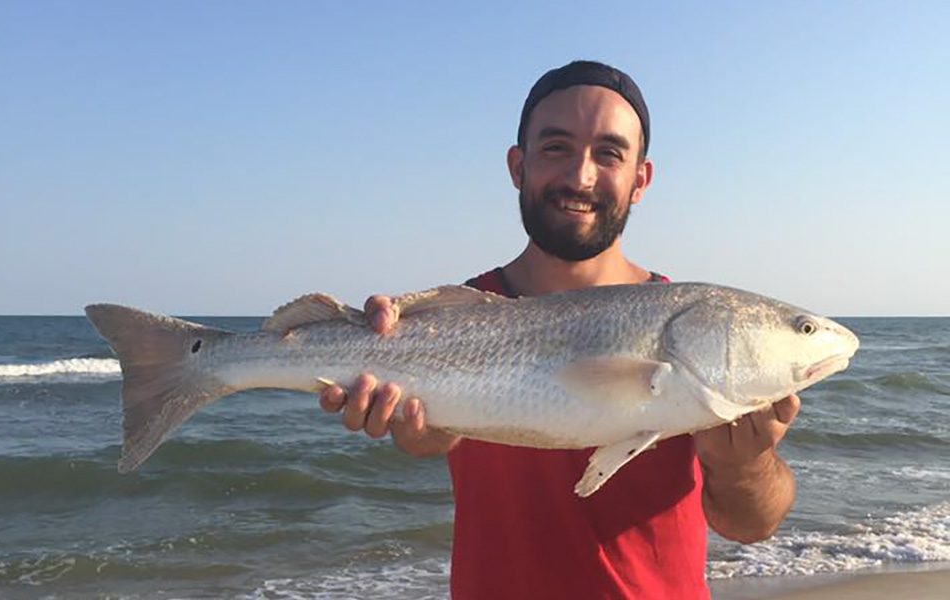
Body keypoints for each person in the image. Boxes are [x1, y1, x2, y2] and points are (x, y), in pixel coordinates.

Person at [319, 60, 800, 599]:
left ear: (640, 179)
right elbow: (433, 437)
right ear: (517, 166)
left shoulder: (695, 326)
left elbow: (752, 525)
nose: (580, 176)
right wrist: (425, 431)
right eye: (556, 148)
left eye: (609, 153)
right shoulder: (450, 317)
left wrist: (744, 465)